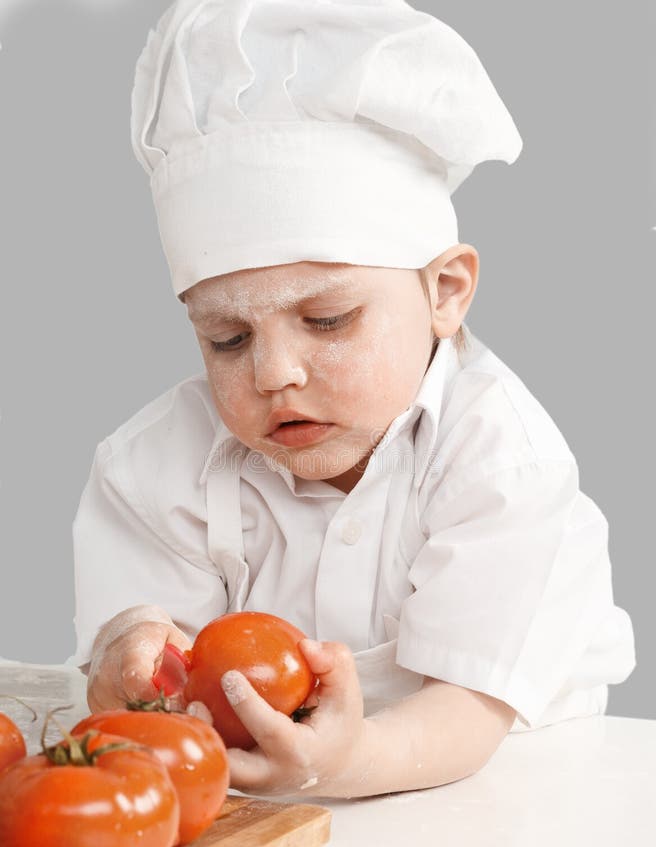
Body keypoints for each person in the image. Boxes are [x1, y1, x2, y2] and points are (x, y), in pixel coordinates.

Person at [70, 0, 636, 799]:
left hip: (516, 791)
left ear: (445, 292)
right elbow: (147, 669)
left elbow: (468, 711)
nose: (273, 373)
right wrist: (130, 651)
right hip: (272, 809)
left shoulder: (501, 460)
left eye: (327, 320)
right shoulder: (151, 469)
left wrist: (348, 761)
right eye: (227, 339)